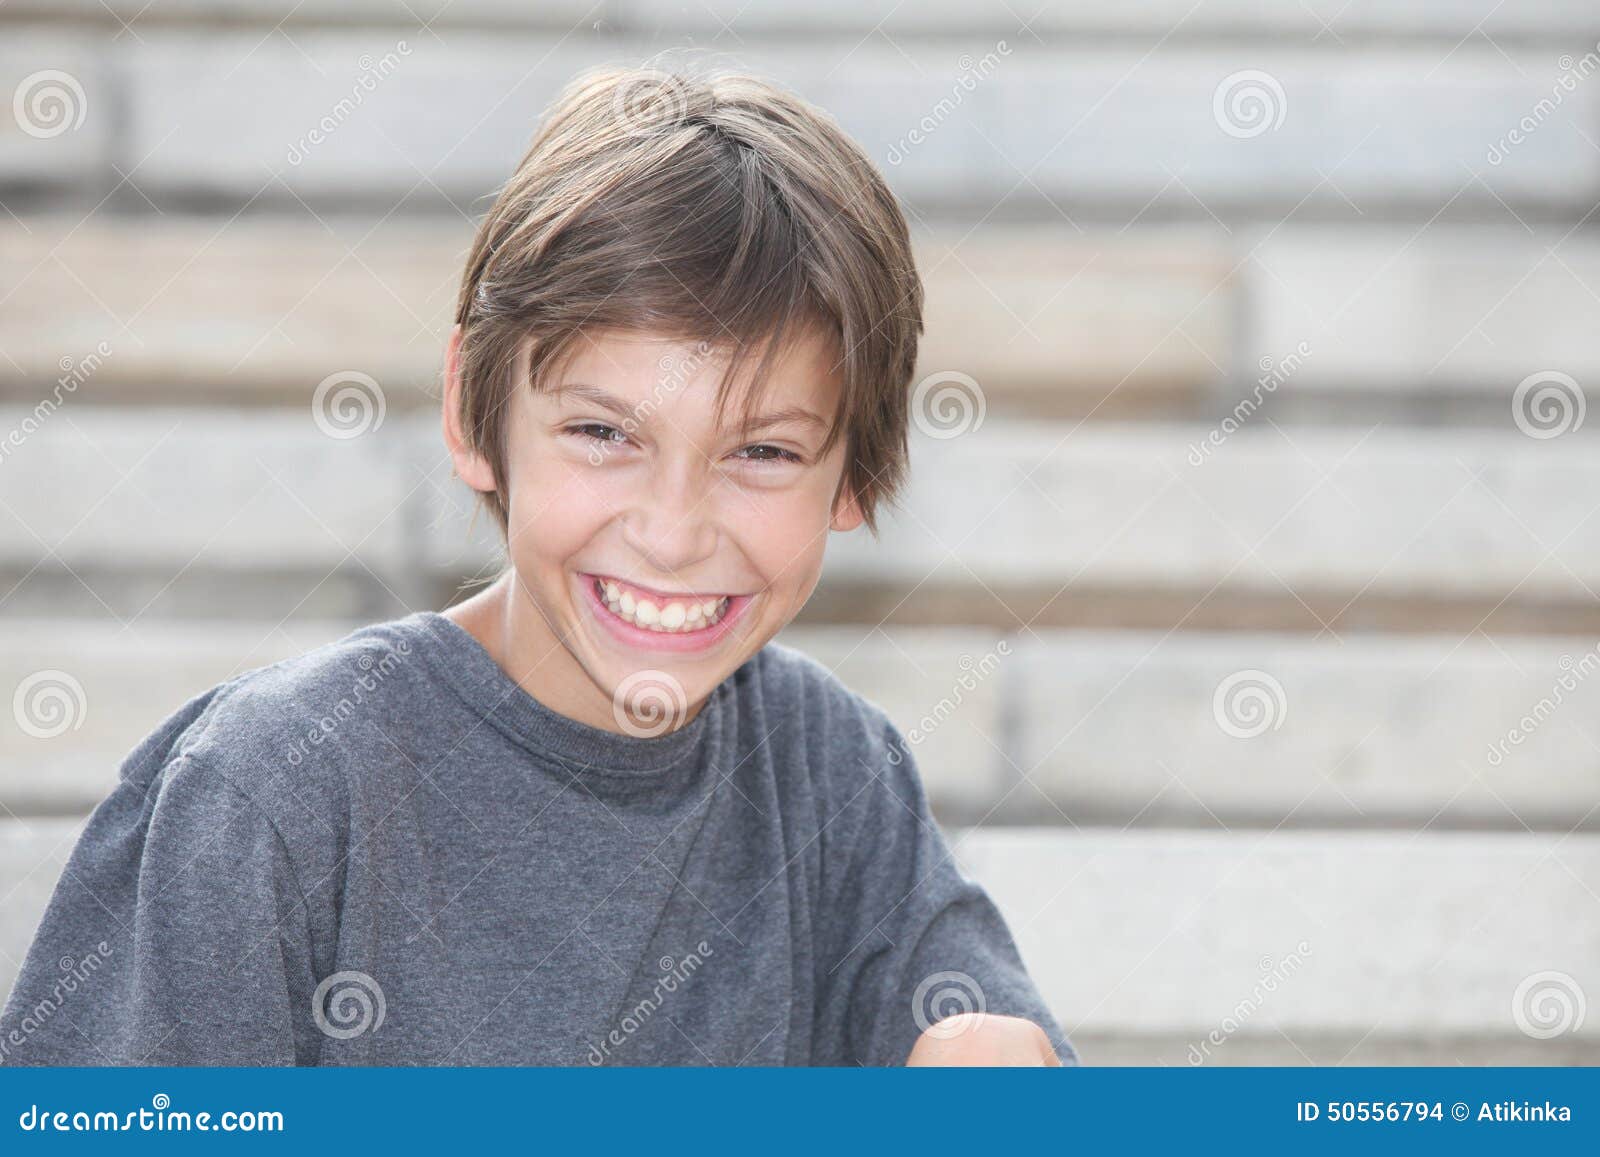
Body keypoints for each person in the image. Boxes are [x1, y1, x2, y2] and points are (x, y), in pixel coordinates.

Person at [0, 66, 1073, 1068]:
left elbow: (996, 1058)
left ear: (850, 477)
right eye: (604, 433)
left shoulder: (831, 773)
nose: (673, 528)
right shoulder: (275, 789)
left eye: (762, 450)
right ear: (476, 408)